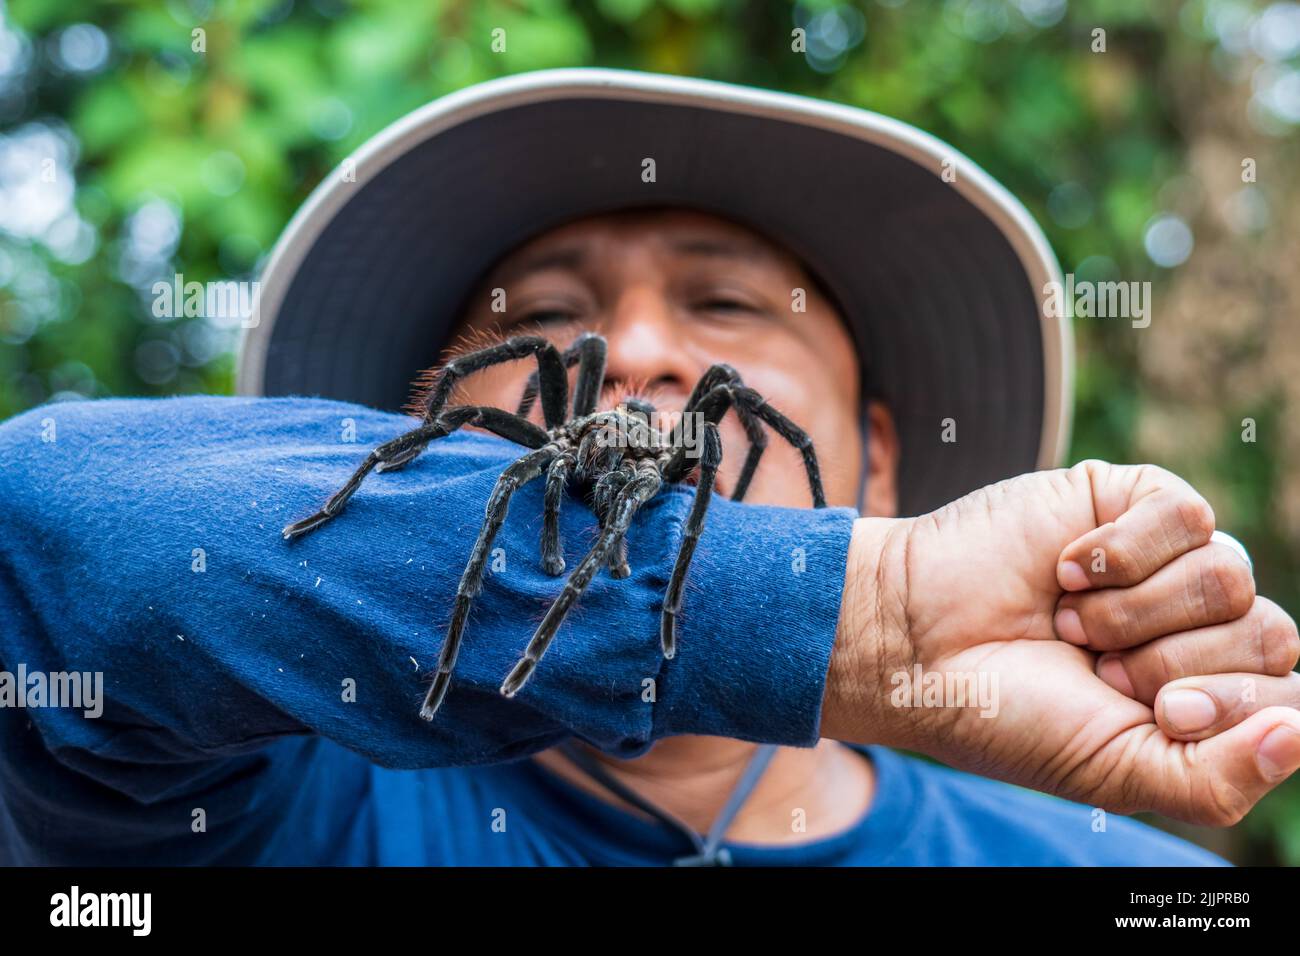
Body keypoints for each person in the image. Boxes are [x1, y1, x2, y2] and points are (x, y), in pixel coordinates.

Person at [1, 70, 1296, 866]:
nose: (631, 351)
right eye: (549, 313)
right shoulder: (264, 808)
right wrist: (859, 616)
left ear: (884, 468)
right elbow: (48, 518)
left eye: (728, 304)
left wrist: (814, 592)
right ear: (437, 419)